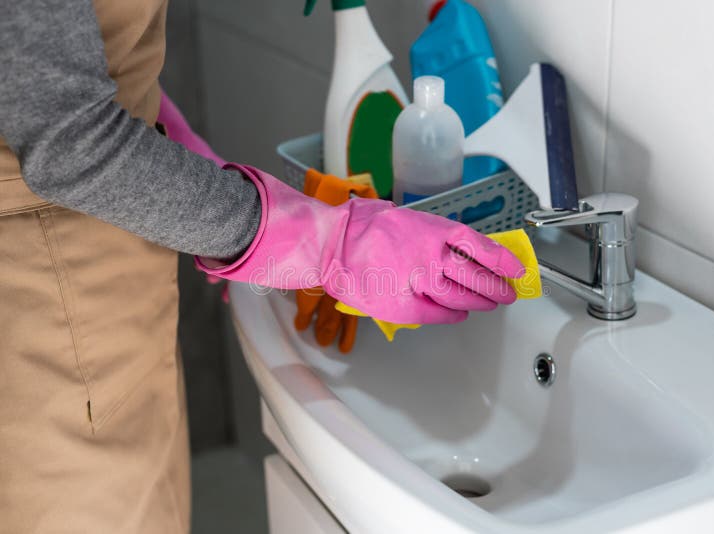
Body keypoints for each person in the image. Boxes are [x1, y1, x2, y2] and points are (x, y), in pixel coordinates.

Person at [0, 1, 523, 532]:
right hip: (43, 298)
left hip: (100, 264)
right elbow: (66, 138)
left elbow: (52, 59)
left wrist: (177, 153)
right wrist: (319, 245)